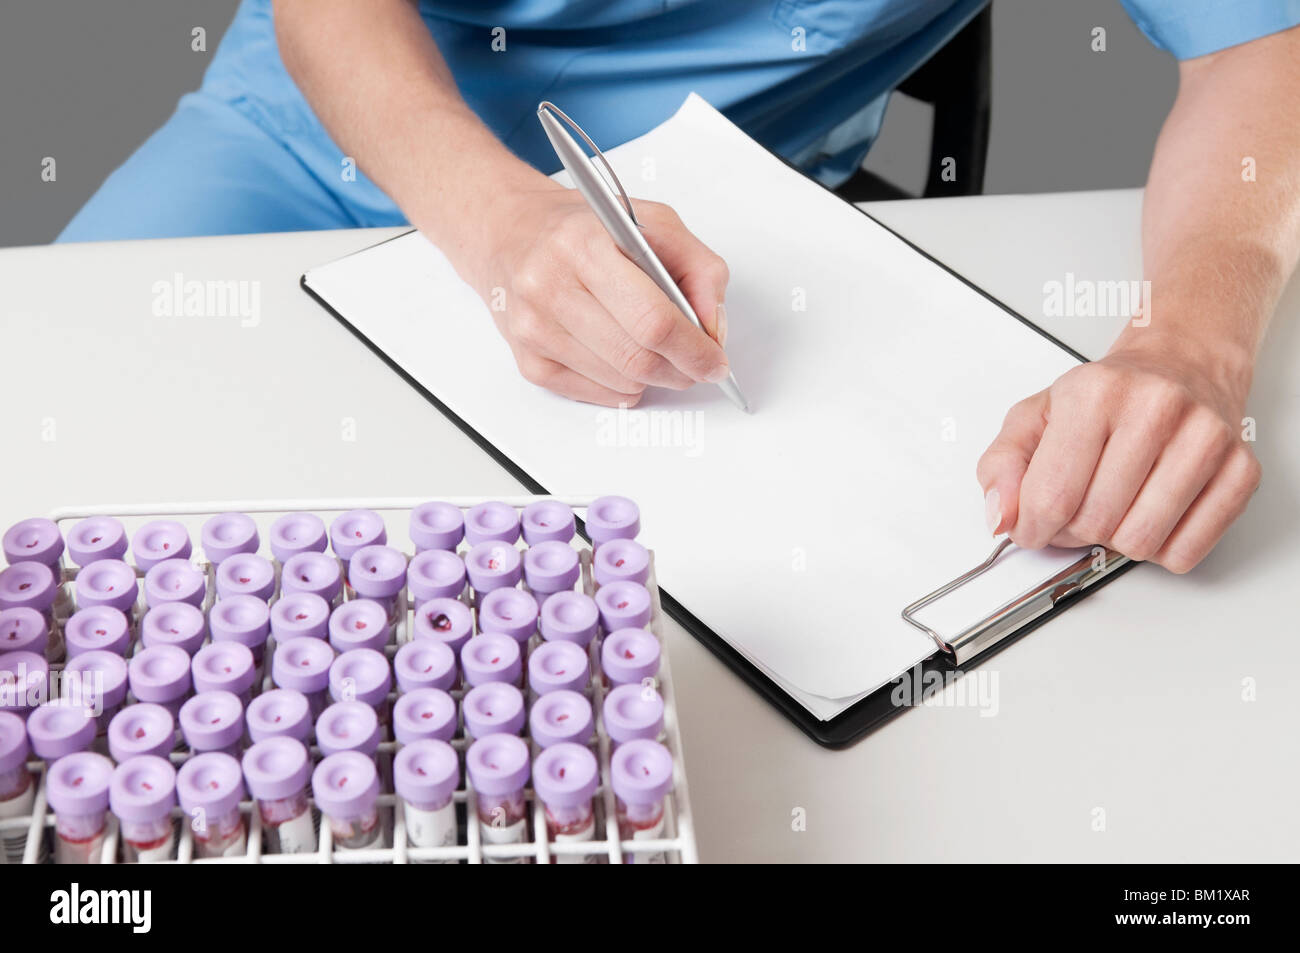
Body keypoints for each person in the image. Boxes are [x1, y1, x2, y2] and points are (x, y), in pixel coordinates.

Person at [58, 1, 1300, 573]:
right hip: (321, 139)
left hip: (722, 227)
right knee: (62, 442)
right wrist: (497, 225)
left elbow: (1265, 49)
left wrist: (1193, 341)